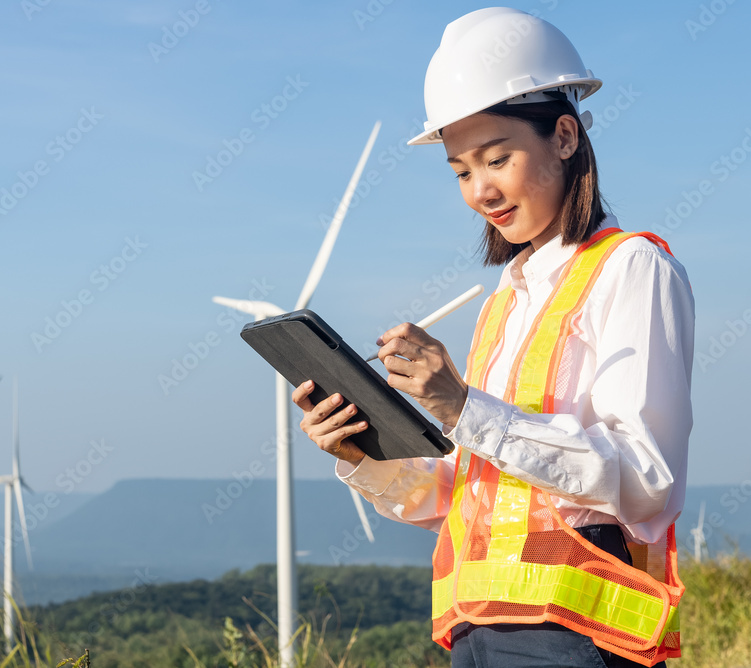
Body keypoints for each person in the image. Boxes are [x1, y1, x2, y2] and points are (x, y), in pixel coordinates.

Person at [292, 7, 694, 668]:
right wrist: (363, 452)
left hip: (575, 638)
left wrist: (462, 407)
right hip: (476, 633)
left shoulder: (632, 269)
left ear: (564, 136)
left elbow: (645, 477)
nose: (480, 190)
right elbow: (469, 491)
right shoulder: (505, 298)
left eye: (497, 159)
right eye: (460, 171)